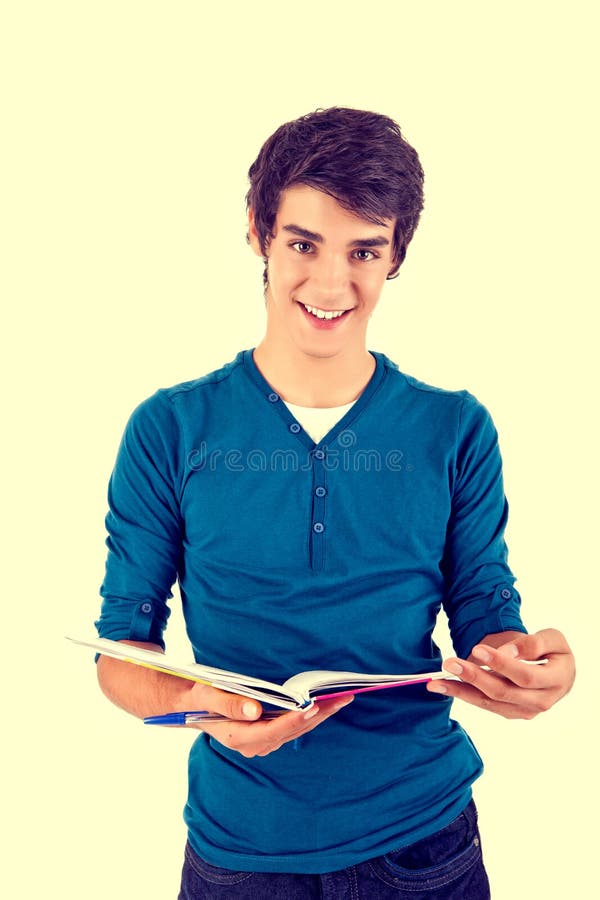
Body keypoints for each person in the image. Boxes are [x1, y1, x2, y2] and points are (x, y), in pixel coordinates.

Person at [95, 107, 575, 899]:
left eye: (364, 251)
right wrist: (191, 702)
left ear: (396, 256)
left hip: (424, 848)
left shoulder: (454, 428)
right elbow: (121, 653)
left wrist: (519, 667)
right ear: (259, 233)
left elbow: (486, 609)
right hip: (238, 853)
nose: (329, 284)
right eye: (303, 244)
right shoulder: (169, 428)